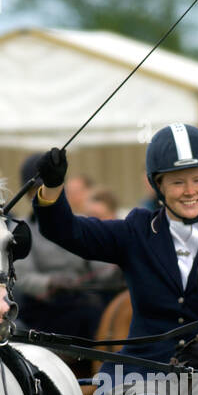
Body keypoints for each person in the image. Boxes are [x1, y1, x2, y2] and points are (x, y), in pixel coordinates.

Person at [31, 123, 198, 395]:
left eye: (197, 180)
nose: (190, 191)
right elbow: (68, 231)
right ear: (157, 186)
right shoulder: (136, 231)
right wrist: (52, 187)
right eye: (177, 182)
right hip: (138, 381)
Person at [12, 153, 125, 363]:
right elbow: (24, 277)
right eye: (37, 189)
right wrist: (51, 283)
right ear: (27, 193)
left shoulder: (76, 223)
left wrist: (116, 269)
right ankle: (104, 366)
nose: (44, 192)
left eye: (50, 186)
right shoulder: (21, 229)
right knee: (91, 312)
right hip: (45, 305)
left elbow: (96, 262)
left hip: (83, 294)